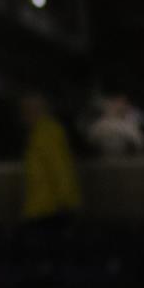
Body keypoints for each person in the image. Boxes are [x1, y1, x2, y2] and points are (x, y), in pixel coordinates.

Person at [20, 93, 82, 221]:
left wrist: (66, 200)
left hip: (48, 208)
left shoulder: (45, 133)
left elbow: (58, 168)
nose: (23, 117)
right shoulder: (43, 132)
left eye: (26, 112)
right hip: (47, 207)